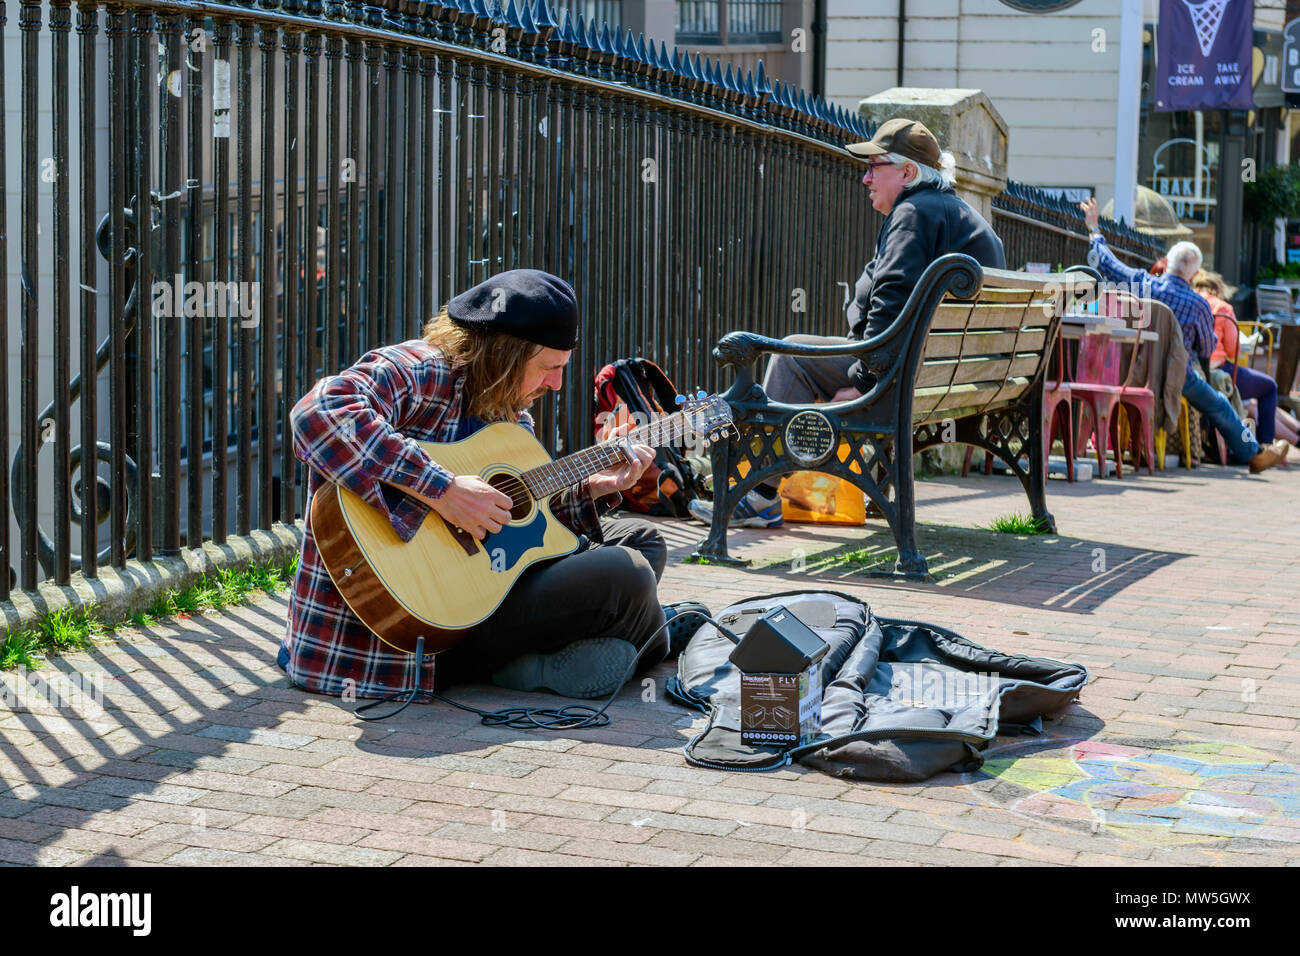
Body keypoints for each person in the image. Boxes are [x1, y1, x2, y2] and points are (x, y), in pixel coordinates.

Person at [280, 269, 677, 702]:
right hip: (406, 632)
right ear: (506, 353)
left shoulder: (508, 410)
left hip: (480, 591)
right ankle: (665, 634)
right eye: (548, 368)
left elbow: (527, 534)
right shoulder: (419, 368)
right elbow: (317, 413)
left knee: (643, 540)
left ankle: (535, 663)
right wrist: (443, 489)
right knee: (628, 573)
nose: (556, 384)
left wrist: (594, 487)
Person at [690, 118, 1006, 528]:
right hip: (951, 376)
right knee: (798, 350)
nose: (866, 177)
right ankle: (759, 481)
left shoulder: (914, 213)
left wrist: (860, 381)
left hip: (906, 375)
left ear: (907, 172)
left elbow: (890, 305)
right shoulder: (953, 213)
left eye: (876, 166)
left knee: (790, 357)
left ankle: (759, 493)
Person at [1079, 197, 1289, 473]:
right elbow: (1206, 347)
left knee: (1213, 397)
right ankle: (1253, 453)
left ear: (1166, 264)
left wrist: (1094, 228)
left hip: (1136, 370)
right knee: (1220, 405)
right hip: (1179, 376)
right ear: (1194, 274)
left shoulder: (1143, 283)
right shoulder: (1198, 303)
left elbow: (1106, 262)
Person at [1192, 269, 1299, 446]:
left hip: (1191, 371)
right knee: (1268, 387)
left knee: (1253, 398)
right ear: (1217, 289)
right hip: (1216, 371)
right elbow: (1234, 349)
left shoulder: (1189, 302)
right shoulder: (1223, 307)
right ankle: (1266, 445)